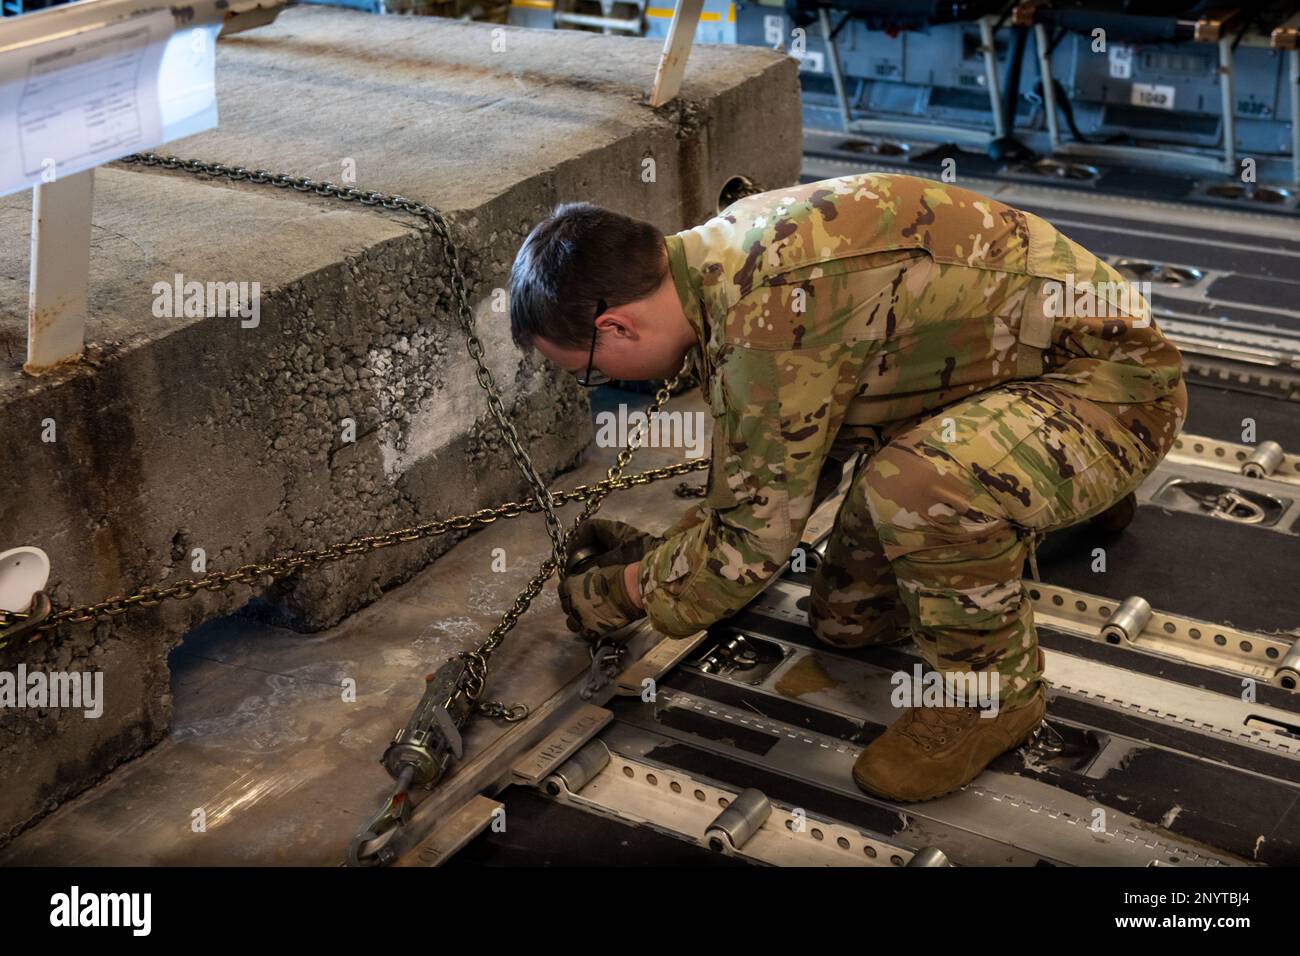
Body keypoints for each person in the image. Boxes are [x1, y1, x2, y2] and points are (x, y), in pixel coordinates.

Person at [507, 172, 1186, 802]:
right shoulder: (718, 256)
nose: (602, 387)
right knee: (846, 622)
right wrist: (669, 559)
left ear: (615, 326)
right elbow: (783, 466)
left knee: (920, 486)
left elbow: (749, 550)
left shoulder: (767, 316)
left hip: (1115, 389)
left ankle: (996, 696)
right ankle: (1035, 475)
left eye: (590, 372)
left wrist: (618, 593)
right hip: (1011, 370)